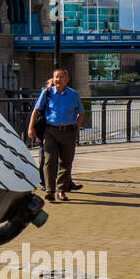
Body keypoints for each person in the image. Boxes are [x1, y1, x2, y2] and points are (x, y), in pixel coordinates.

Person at [27, 69, 85, 203]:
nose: (58, 80)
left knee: (66, 162)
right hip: (50, 131)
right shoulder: (47, 93)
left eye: (61, 77)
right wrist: (31, 128)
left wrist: (77, 126)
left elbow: (81, 112)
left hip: (68, 131)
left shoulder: (74, 95)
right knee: (49, 160)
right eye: (55, 77)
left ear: (67, 79)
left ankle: (61, 191)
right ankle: (49, 190)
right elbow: (36, 111)